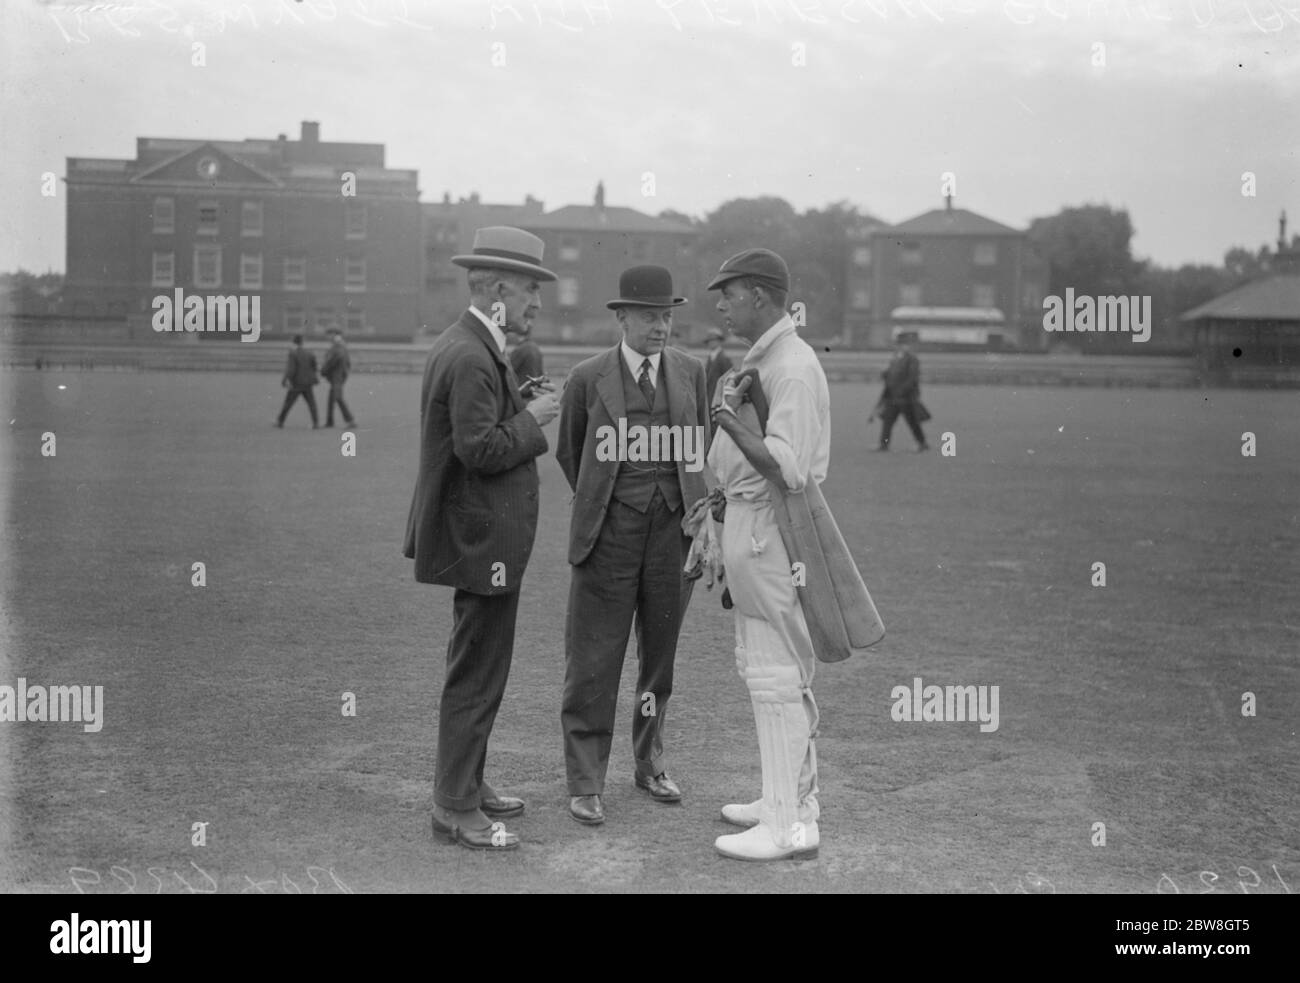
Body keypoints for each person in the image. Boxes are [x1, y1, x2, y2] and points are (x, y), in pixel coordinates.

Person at [402, 226, 562, 852]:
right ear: (495, 289)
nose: (536, 303)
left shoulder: (473, 344)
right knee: (476, 673)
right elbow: (479, 448)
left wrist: (516, 406)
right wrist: (534, 419)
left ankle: (467, 780)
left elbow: (478, 427)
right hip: (481, 542)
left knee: (480, 666)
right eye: (529, 290)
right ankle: (454, 807)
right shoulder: (471, 353)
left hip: (484, 539)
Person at [556, 265, 710, 827]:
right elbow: (572, 452)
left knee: (659, 658)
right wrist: (607, 502)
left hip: (673, 535)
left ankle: (649, 762)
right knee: (595, 660)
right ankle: (586, 781)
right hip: (609, 537)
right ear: (622, 318)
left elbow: (698, 450)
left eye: (667, 316)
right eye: (649, 316)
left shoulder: (692, 373)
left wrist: (684, 509)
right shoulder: (586, 377)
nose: (661, 326)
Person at [704, 247, 828, 862]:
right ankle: (786, 803)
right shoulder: (770, 357)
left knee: (779, 676)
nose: (720, 303)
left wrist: (730, 422)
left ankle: (785, 825)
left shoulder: (794, 366)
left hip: (773, 534)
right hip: (750, 531)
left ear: (759, 294)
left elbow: (788, 466)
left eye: (728, 292)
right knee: (763, 671)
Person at [871, 339, 928, 451]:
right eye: (900, 344)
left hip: (906, 398)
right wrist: (885, 375)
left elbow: (912, 378)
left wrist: (902, 390)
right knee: (887, 421)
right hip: (893, 397)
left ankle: (922, 443)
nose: (901, 347)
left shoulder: (912, 359)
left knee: (912, 422)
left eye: (904, 345)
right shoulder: (896, 358)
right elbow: (891, 374)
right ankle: (884, 444)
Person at [275, 334, 319, 428]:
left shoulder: (293, 353)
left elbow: (291, 369)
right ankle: (316, 423)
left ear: (294, 342)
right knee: (311, 404)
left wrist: (285, 380)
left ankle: (280, 421)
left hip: (297, 383)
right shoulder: (309, 353)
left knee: (288, 403)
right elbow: (314, 367)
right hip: (308, 383)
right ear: (302, 342)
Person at [320, 328, 357, 429]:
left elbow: (333, 359)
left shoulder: (338, 346)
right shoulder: (340, 345)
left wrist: (324, 370)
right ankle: (330, 421)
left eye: (328, 334)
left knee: (338, 397)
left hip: (337, 376)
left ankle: (350, 420)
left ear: (333, 334)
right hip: (338, 375)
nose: (327, 337)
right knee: (332, 398)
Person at [702, 325, 733, 402]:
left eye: (713, 340)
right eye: (709, 341)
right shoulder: (710, 357)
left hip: (719, 398)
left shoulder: (724, 358)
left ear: (719, 341)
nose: (711, 343)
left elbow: (728, 380)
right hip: (709, 397)